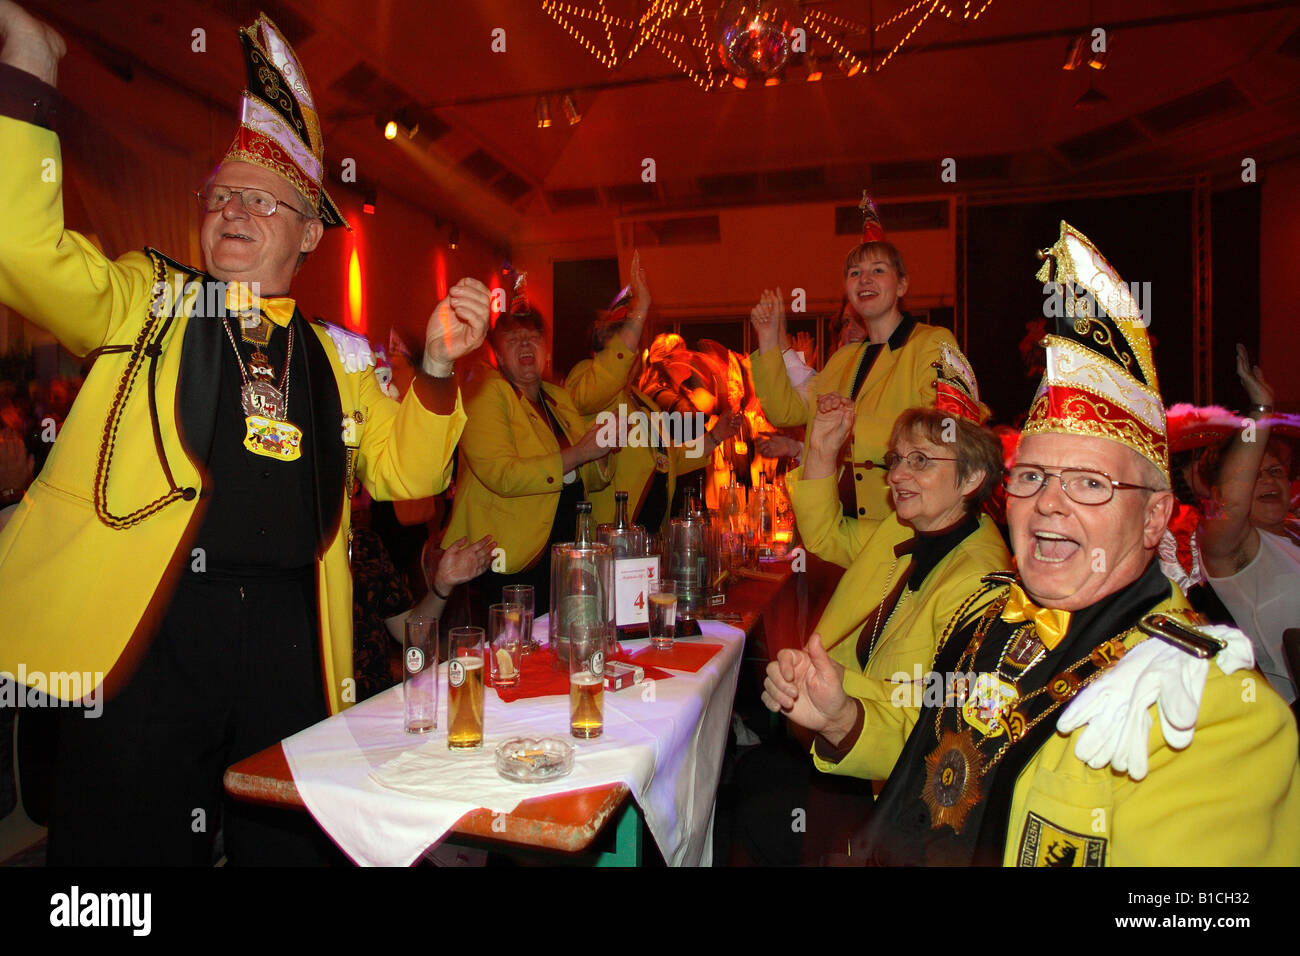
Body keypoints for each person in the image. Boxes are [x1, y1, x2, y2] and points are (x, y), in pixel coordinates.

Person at [0, 6, 490, 864]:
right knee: (123, 861)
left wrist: (441, 371)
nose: (234, 209)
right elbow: (23, 251)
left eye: (264, 202)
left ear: (308, 235)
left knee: (290, 850)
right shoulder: (144, 298)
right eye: (223, 194)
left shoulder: (339, 359)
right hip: (151, 632)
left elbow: (408, 472)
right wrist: (29, 76)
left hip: (289, 635)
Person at [763, 222, 1299, 865]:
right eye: (1035, 475)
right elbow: (922, 739)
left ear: (1157, 517)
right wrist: (841, 717)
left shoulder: (1206, 707)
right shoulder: (989, 618)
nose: (1049, 501)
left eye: (1089, 483)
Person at [750, 366, 1010, 863]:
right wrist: (823, 450)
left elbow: (936, 726)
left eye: (920, 461)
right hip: (843, 746)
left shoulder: (981, 582)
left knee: (759, 814)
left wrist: (836, 693)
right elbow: (827, 536)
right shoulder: (909, 524)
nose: (896, 476)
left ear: (972, 476)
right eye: (896, 460)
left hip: (897, 796)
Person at [749, 196, 965, 531]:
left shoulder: (931, 344)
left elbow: (951, 433)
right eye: (855, 273)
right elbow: (785, 413)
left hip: (904, 526)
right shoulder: (844, 359)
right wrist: (767, 338)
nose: (864, 279)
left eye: (878, 271)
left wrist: (844, 425)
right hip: (840, 526)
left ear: (902, 284)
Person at [442, 285, 612, 617]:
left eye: (532, 336)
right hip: (511, 554)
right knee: (515, 653)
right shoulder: (486, 391)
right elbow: (501, 474)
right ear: (497, 354)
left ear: (547, 351)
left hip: (563, 549)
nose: (524, 343)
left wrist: (601, 451)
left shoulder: (557, 397)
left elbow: (590, 475)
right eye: (513, 338)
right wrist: (581, 452)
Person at [1201, 346, 1300, 707]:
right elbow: (1235, 504)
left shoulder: (1294, 529)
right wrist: (1261, 413)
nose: (1269, 480)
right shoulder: (1232, 547)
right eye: (1254, 476)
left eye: (1276, 471)